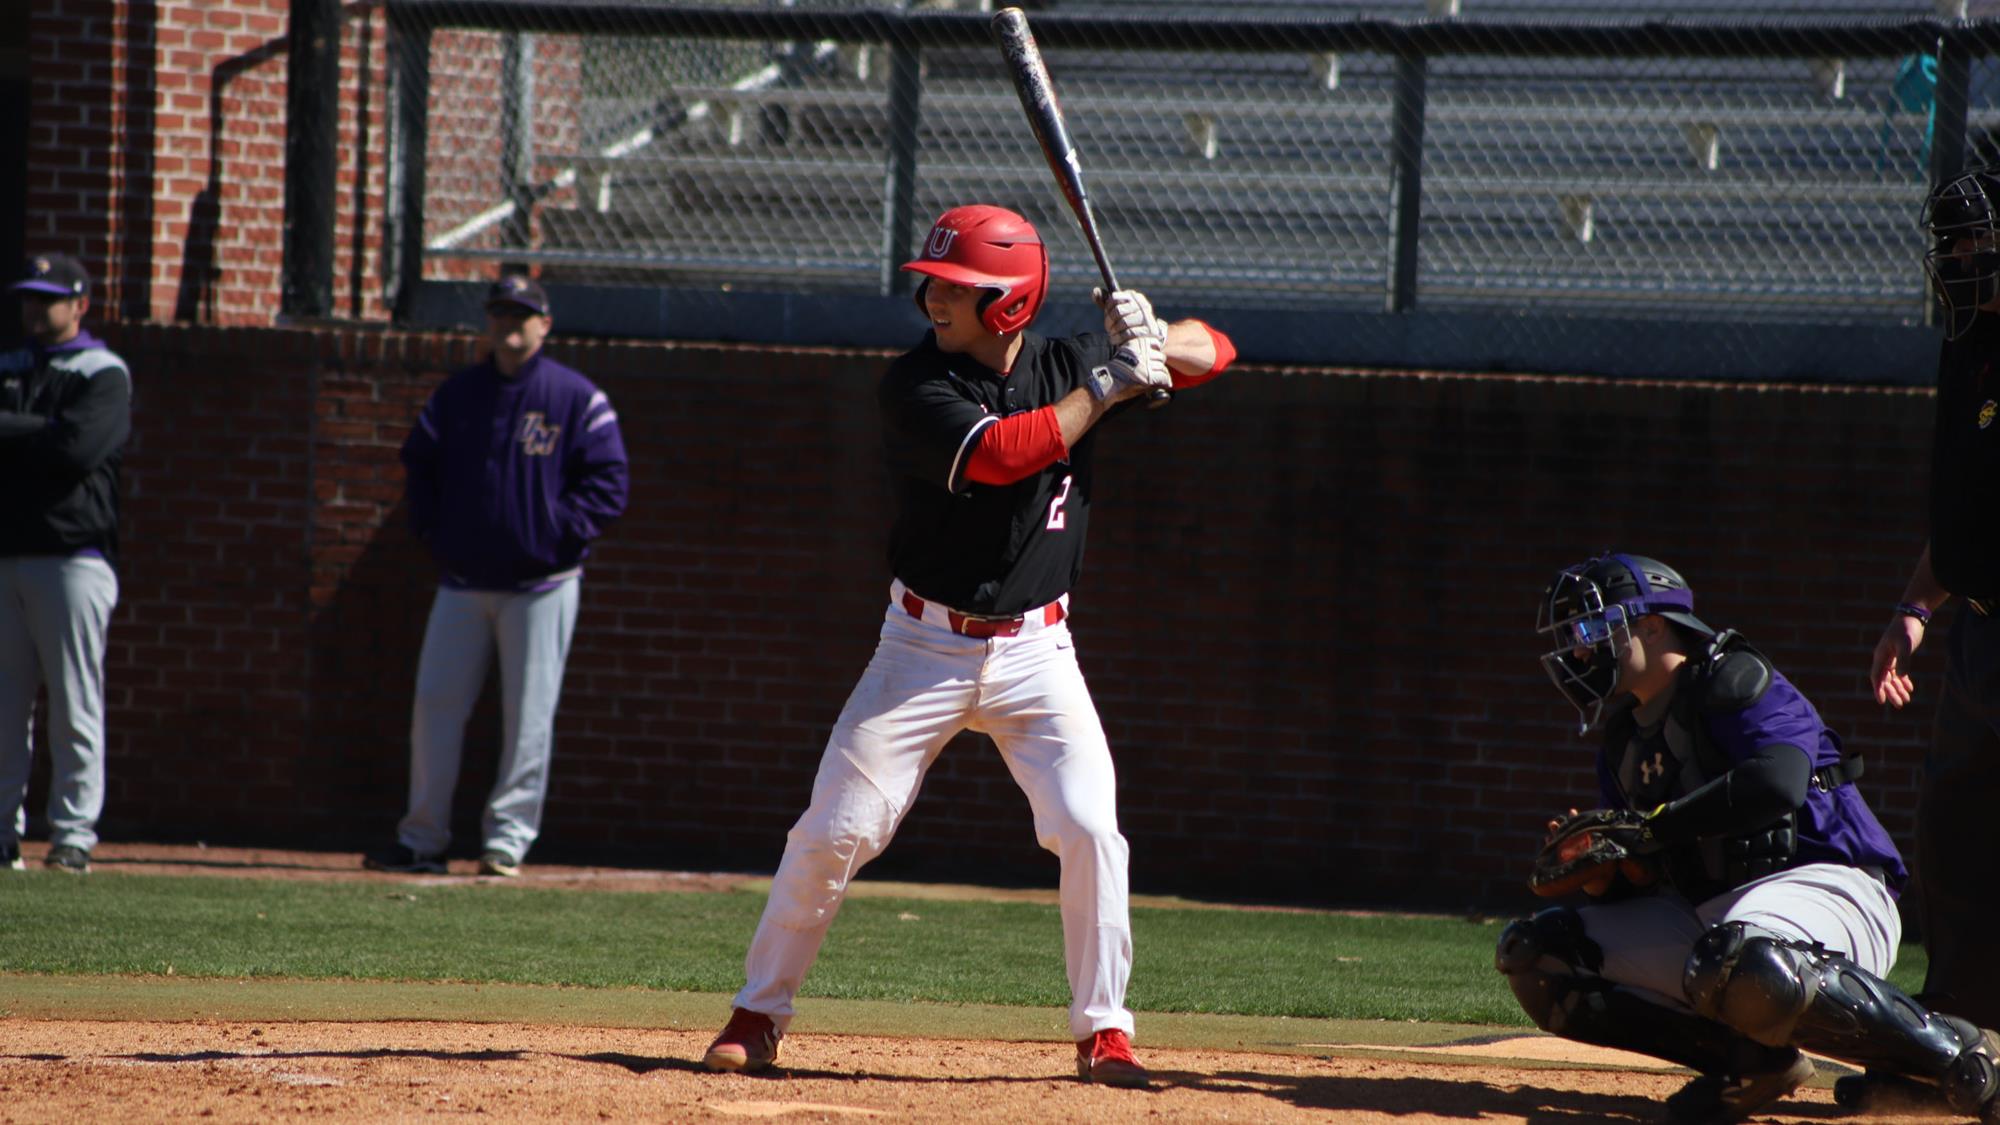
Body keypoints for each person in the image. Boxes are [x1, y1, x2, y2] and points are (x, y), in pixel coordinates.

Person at [699, 204, 1236, 1086]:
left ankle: (1105, 1032)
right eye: (933, 282)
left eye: (955, 288)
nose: (931, 298)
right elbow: (1005, 453)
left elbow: (1218, 351)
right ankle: (758, 1010)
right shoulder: (914, 386)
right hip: (921, 648)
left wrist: (1153, 337)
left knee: (1092, 827)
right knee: (836, 829)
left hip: (1039, 653)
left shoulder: (1071, 360)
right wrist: (1111, 384)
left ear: (1010, 305)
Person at [1498, 553, 2000, 1123]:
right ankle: (1751, 1064)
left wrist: (1648, 829)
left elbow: (1777, 782)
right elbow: (1647, 878)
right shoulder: (1623, 742)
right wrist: (1601, 873)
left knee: (1743, 960)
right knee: (1539, 954)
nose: (1580, 649)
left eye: (1591, 628)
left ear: (1653, 624)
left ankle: (1961, 1056)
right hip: (1716, 921)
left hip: (1830, 885)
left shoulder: (1734, 678)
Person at [364, 276, 628, 879]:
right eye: (501, 312)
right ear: (487, 323)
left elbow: (609, 484)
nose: (511, 323)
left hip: (543, 585)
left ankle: (506, 840)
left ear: (545, 324)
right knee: (434, 704)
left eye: (523, 313)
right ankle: (422, 838)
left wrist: (555, 530)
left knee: (528, 715)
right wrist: (437, 534)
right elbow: (420, 468)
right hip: (463, 581)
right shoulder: (458, 395)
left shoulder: (574, 397)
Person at [1870, 163, 2000, 1037]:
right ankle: (1955, 1023)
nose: (1954, 257)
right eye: (1946, 242)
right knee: (1952, 823)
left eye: (1972, 240)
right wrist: (1914, 610)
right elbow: (1964, 513)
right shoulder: (1966, 348)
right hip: (1978, 636)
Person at [0, 253, 131, 875]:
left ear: (79, 304)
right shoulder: (10, 363)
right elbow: (51, 441)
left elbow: (76, 449)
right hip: (8, 553)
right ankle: (3, 832)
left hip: (73, 558)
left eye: (48, 299)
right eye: (29, 297)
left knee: (75, 703)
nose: (35, 309)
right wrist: (41, 432)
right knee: (5, 705)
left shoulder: (102, 371)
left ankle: (73, 833)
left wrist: (21, 433)